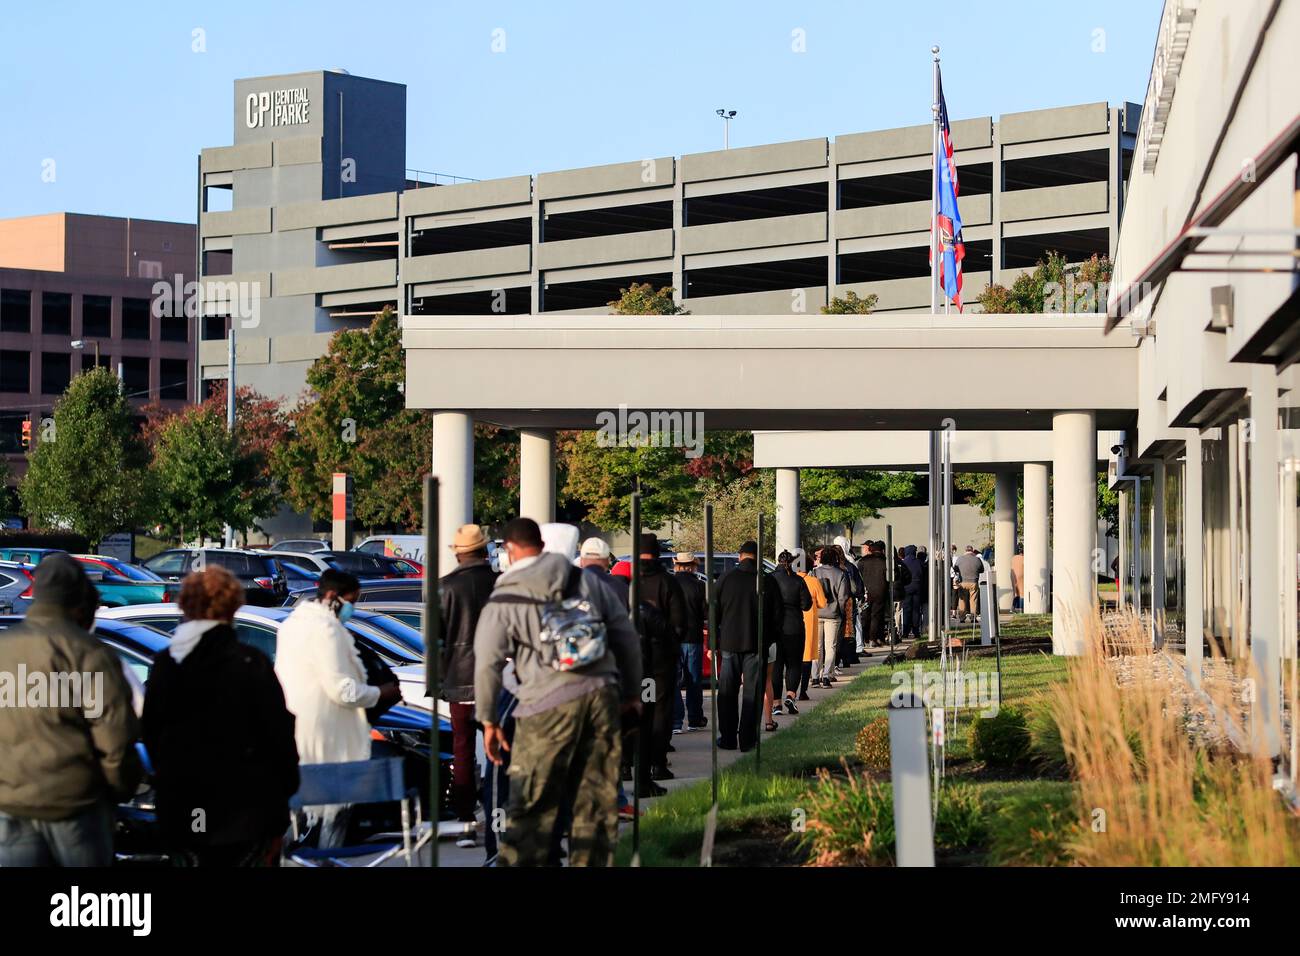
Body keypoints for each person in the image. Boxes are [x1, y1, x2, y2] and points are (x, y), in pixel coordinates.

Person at [474, 517, 642, 867]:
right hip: (601, 695)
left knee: (533, 805)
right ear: (542, 545)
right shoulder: (583, 581)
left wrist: (489, 720)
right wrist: (629, 694)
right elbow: (625, 636)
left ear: (510, 549)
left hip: (545, 707)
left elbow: (487, 661)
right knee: (594, 802)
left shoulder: (506, 594)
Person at [143, 566, 298, 866]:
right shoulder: (252, 663)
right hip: (247, 817)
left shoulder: (167, 665)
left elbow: (152, 736)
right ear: (232, 608)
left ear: (186, 607)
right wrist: (278, 815)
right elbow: (280, 743)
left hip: (187, 813)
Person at [0, 555, 142, 866]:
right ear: (80, 602)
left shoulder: (4, 649)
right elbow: (115, 741)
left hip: (11, 809)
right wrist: (116, 790)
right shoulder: (88, 654)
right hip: (77, 810)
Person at [275, 569, 401, 848]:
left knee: (297, 813)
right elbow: (342, 689)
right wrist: (381, 692)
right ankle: (328, 859)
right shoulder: (326, 630)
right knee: (336, 812)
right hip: (329, 737)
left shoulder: (292, 624)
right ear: (333, 597)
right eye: (351, 601)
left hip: (298, 733)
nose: (352, 609)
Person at [439, 523, 499, 849]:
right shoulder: (500, 583)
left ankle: (465, 820)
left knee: (461, 750)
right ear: (484, 549)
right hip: (498, 679)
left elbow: (436, 640)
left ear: (458, 553)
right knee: (499, 748)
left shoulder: (444, 587)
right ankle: (499, 816)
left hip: (459, 680)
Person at [714, 540, 781, 751]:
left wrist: (713, 642)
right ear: (758, 557)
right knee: (752, 692)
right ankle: (747, 739)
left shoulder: (725, 578)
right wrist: (768, 639)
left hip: (729, 644)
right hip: (756, 644)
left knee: (727, 692)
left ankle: (727, 737)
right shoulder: (767, 581)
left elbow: (712, 610)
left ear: (740, 556)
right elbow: (777, 615)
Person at [633, 533, 685, 781]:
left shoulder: (631, 584)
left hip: (636, 659)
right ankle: (657, 762)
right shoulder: (668, 583)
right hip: (661, 660)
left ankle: (632, 763)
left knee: (640, 708)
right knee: (660, 710)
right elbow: (679, 624)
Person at [770, 550, 812, 718]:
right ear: (792, 562)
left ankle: (776, 703)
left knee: (776, 667)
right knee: (794, 664)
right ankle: (791, 695)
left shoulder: (770, 579)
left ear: (778, 561)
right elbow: (806, 605)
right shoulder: (798, 580)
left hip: (774, 628)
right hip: (795, 627)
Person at [671, 552, 708, 734]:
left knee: (674, 680)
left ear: (677, 565)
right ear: (693, 565)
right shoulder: (700, 585)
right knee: (694, 679)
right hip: (693, 636)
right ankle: (694, 719)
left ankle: (676, 721)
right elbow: (706, 613)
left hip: (672, 638)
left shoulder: (669, 583)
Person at [811, 547, 849, 687]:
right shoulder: (841, 574)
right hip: (833, 614)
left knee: (817, 647)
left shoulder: (815, 573)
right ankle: (826, 676)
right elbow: (843, 597)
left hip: (817, 613)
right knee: (830, 646)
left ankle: (815, 677)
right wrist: (839, 611)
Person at [794, 549, 826, 700]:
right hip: (809, 624)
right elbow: (822, 603)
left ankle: (791, 691)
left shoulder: (790, 580)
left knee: (793, 660)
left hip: (791, 623)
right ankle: (803, 691)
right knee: (806, 658)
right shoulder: (813, 582)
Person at [856, 540, 889, 648]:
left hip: (865, 593)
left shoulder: (862, 561)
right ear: (882, 550)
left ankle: (864, 637)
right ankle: (872, 638)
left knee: (864, 615)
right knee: (876, 616)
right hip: (880, 592)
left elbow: (857, 576)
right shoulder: (885, 561)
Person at [900, 545, 925, 639]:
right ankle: (916, 631)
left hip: (906, 588)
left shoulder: (904, 562)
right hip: (917, 588)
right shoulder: (919, 562)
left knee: (907, 610)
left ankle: (905, 632)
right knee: (916, 610)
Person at [955, 545, 983, 623]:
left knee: (962, 600)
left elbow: (955, 568)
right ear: (972, 551)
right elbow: (982, 570)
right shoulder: (977, 559)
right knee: (973, 600)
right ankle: (973, 617)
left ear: (965, 551)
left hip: (963, 582)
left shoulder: (960, 558)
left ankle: (962, 618)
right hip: (974, 582)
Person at [1011, 546, 1025, 613]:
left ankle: (1013, 607)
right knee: (1022, 593)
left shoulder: (1014, 558)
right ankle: (1020, 608)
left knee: (1016, 593)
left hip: (1013, 576)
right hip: (1021, 576)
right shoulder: (1023, 558)